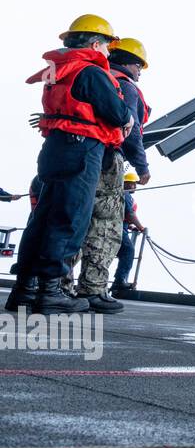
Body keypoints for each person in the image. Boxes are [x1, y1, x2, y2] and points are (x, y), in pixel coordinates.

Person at [5, 16, 133, 314]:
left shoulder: (59, 69)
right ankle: (50, 292)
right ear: (94, 43)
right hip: (82, 148)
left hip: (55, 147)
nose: (107, 53)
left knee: (43, 218)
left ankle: (24, 289)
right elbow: (115, 112)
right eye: (106, 46)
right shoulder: (90, 70)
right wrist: (126, 117)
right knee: (70, 218)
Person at [70, 37, 150, 314]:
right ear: (130, 63)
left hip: (76, 152)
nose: (140, 72)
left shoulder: (89, 76)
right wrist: (142, 166)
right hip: (104, 160)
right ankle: (93, 290)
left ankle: (59, 285)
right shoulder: (125, 87)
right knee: (104, 226)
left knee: (73, 220)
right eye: (140, 66)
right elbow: (132, 130)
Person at [112, 170, 145, 296]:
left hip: (121, 226)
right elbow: (130, 214)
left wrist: (130, 226)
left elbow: (123, 215)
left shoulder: (126, 196)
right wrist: (141, 227)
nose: (134, 186)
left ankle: (118, 280)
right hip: (118, 228)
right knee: (128, 251)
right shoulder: (125, 195)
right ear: (126, 183)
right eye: (132, 183)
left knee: (123, 252)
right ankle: (120, 280)